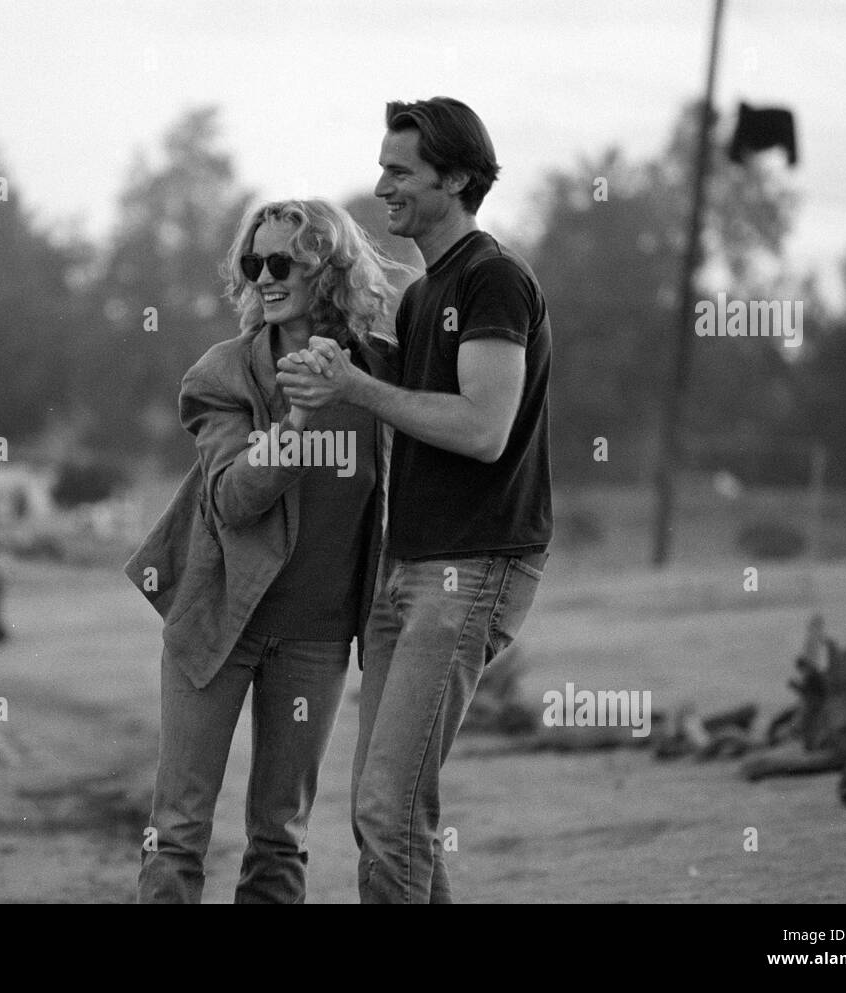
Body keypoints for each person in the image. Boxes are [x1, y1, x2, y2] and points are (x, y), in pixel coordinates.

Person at [277, 97, 554, 903]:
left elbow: (483, 428)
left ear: (458, 177)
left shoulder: (493, 278)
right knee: (384, 812)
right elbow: (414, 405)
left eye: (400, 171)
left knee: (390, 805)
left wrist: (359, 385)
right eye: (383, 167)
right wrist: (344, 362)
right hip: (409, 570)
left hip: (474, 569)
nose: (382, 185)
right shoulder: (426, 291)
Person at [124, 198, 403, 903]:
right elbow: (234, 499)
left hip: (316, 638)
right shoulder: (222, 375)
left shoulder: (379, 372)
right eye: (254, 263)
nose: (265, 277)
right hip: (218, 621)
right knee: (179, 826)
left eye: (283, 262)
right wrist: (301, 411)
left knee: (281, 833)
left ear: (329, 270)